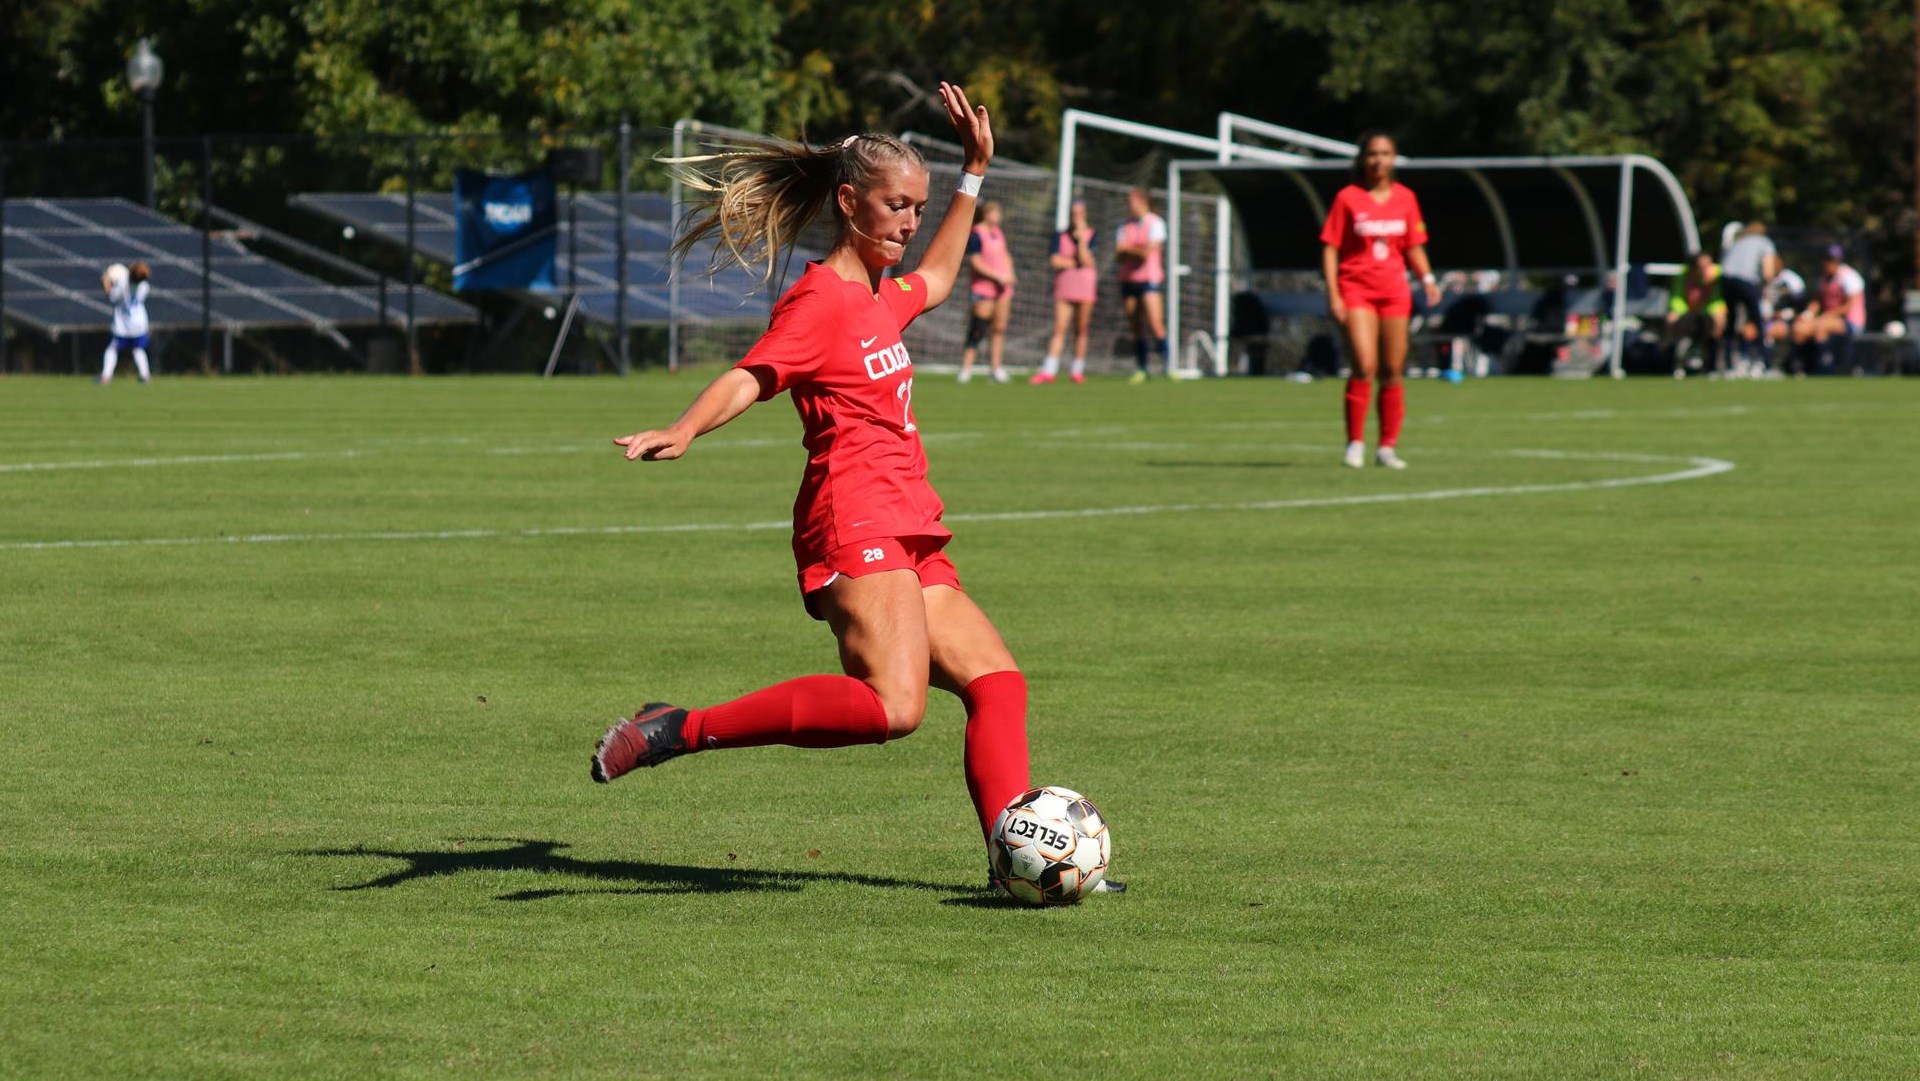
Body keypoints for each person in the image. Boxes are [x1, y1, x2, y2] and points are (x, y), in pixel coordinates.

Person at [596, 82, 1122, 896]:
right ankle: (679, 728)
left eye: (917, 207)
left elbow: (941, 277)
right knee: (893, 708)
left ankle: (1011, 859)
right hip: (852, 517)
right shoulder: (820, 301)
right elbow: (753, 373)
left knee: (998, 682)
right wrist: (688, 427)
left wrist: (973, 177)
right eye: (896, 207)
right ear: (849, 203)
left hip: (908, 519)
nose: (910, 224)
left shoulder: (881, 293)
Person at [1319, 131, 1439, 469]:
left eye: (1386, 153)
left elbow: (1414, 245)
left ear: (1394, 158)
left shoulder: (1406, 198)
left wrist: (1427, 278)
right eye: (1373, 154)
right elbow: (1331, 247)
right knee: (1364, 364)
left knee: (1392, 369)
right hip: (1356, 289)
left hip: (1394, 293)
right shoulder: (1348, 198)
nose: (1379, 160)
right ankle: (1355, 442)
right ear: (1362, 158)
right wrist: (1335, 294)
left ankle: (1387, 447)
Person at [1032, 199, 1097, 384]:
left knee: (1081, 329)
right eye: (1073, 212)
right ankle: (1049, 370)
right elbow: (1055, 261)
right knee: (1059, 329)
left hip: (1085, 287)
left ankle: (1077, 369)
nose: (1076, 216)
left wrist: (1081, 239)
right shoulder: (1059, 236)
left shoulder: (1091, 235)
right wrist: (1074, 263)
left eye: (1079, 212)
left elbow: (1086, 260)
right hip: (1065, 287)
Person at [956, 199, 1014, 384]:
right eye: (993, 212)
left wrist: (1009, 274)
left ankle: (995, 368)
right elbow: (975, 262)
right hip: (984, 288)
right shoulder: (977, 234)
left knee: (999, 329)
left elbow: (1005, 255)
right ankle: (966, 369)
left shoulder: (998, 233)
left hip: (1003, 289)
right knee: (978, 329)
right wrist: (997, 275)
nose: (997, 217)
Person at [1114, 188, 1168, 383]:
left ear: (1143, 202)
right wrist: (1134, 250)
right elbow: (1119, 254)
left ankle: (1167, 365)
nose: (1130, 206)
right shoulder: (1124, 225)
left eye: (1133, 202)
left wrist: (1129, 249)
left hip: (1149, 280)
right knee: (1136, 326)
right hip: (1129, 280)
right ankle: (1142, 368)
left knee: (1155, 324)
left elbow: (1147, 253)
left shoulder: (1156, 223)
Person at [1792, 244, 1865, 375]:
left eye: (1831, 260)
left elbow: (1848, 307)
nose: (1828, 264)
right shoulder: (1822, 278)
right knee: (1800, 327)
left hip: (1850, 321)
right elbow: (1817, 301)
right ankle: (1800, 367)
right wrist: (1808, 315)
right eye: (1826, 260)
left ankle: (1822, 367)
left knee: (1821, 327)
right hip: (1827, 318)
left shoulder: (1849, 277)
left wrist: (1826, 315)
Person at [1719, 222, 1780, 375]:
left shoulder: (1738, 242)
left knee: (1731, 321)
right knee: (1758, 321)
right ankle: (1764, 362)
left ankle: (1728, 363)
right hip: (1746, 281)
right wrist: (1767, 288)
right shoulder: (1764, 243)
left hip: (1726, 280)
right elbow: (1768, 271)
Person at [1665, 251, 1727, 378]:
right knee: (1672, 320)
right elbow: (1676, 298)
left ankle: (1712, 364)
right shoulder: (1683, 277)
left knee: (1718, 320)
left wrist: (1714, 311)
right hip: (1689, 312)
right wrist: (1678, 312)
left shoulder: (1720, 276)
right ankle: (1675, 360)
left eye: (1708, 265)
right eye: (1702, 266)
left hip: (1708, 312)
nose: (1706, 269)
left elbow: (1718, 299)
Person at [100, 262, 153, 384]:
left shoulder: (123, 283)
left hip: (123, 324)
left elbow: (112, 296)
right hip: (139, 323)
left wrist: (106, 282)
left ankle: (106, 376)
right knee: (138, 349)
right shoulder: (144, 286)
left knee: (112, 349)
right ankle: (145, 375)